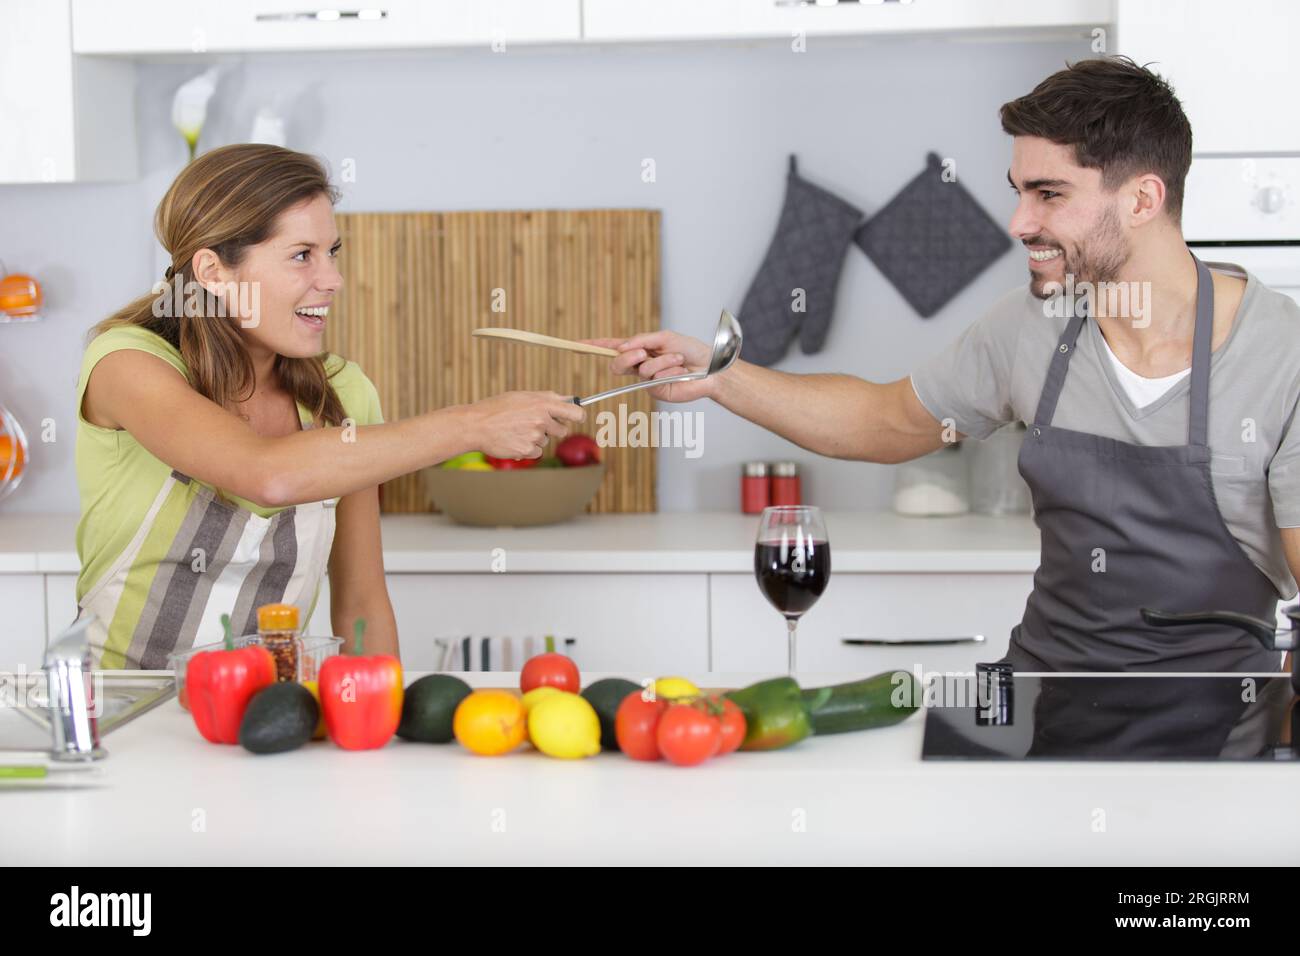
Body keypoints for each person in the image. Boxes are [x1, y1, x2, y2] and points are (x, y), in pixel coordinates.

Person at [595, 56, 1300, 673]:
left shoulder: (1282, 354)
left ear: (1143, 198)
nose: (1019, 223)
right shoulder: (1031, 326)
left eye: (1048, 194)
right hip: (1044, 694)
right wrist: (723, 376)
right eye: (1018, 190)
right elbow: (886, 420)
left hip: (1222, 712)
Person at [76, 143, 584, 668]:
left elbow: (360, 601)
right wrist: (473, 424)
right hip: (118, 712)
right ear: (213, 272)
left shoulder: (345, 393)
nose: (332, 279)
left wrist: (377, 721)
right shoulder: (127, 364)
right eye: (302, 255)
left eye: (332, 252)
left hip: (264, 716)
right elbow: (265, 474)